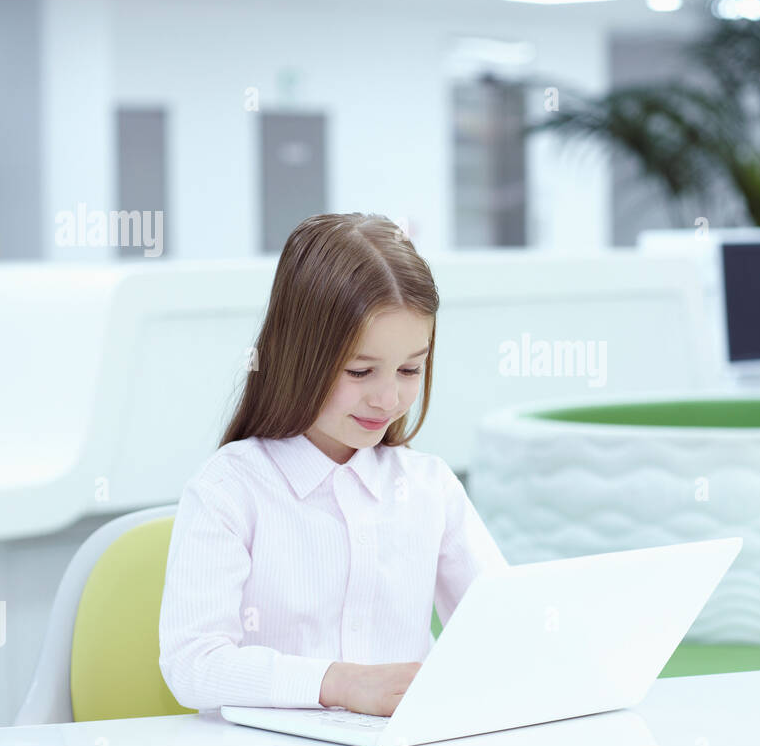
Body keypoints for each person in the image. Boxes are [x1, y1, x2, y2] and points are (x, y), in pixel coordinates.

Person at [158, 212, 509, 716]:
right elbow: (193, 665)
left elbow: (501, 628)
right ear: (297, 356)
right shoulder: (229, 490)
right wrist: (337, 684)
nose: (388, 398)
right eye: (361, 370)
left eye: (411, 368)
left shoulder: (430, 488)